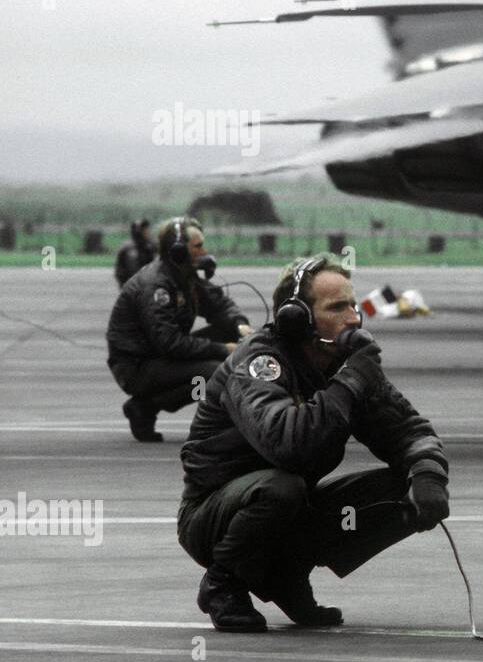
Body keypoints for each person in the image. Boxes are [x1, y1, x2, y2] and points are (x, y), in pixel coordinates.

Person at [176, 255, 451, 632]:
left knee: (402, 485)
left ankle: (285, 577)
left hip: (288, 506)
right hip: (214, 515)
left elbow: (406, 429)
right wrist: (350, 382)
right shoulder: (260, 363)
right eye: (338, 307)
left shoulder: (343, 365)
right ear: (296, 317)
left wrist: (427, 474)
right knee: (281, 488)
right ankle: (223, 584)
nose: (354, 318)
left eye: (353, 306)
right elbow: (290, 445)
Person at [106, 216, 250, 442]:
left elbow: (219, 305)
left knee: (231, 334)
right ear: (178, 251)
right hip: (135, 366)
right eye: (198, 246)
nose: (205, 251)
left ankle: (145, 406)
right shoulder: (156, 286)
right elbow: (170, 343)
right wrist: (223, 349)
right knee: (215, 371)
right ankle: (151, 407)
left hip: (159, 356)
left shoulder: (185, 276)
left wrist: (240, 326)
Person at [113, 219, 156, 288]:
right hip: (131, 287)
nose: (147, 231)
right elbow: (119, 270)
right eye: (144, 230)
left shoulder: (152, 247)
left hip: (149, 287)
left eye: (147, 229)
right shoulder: (126, 248)